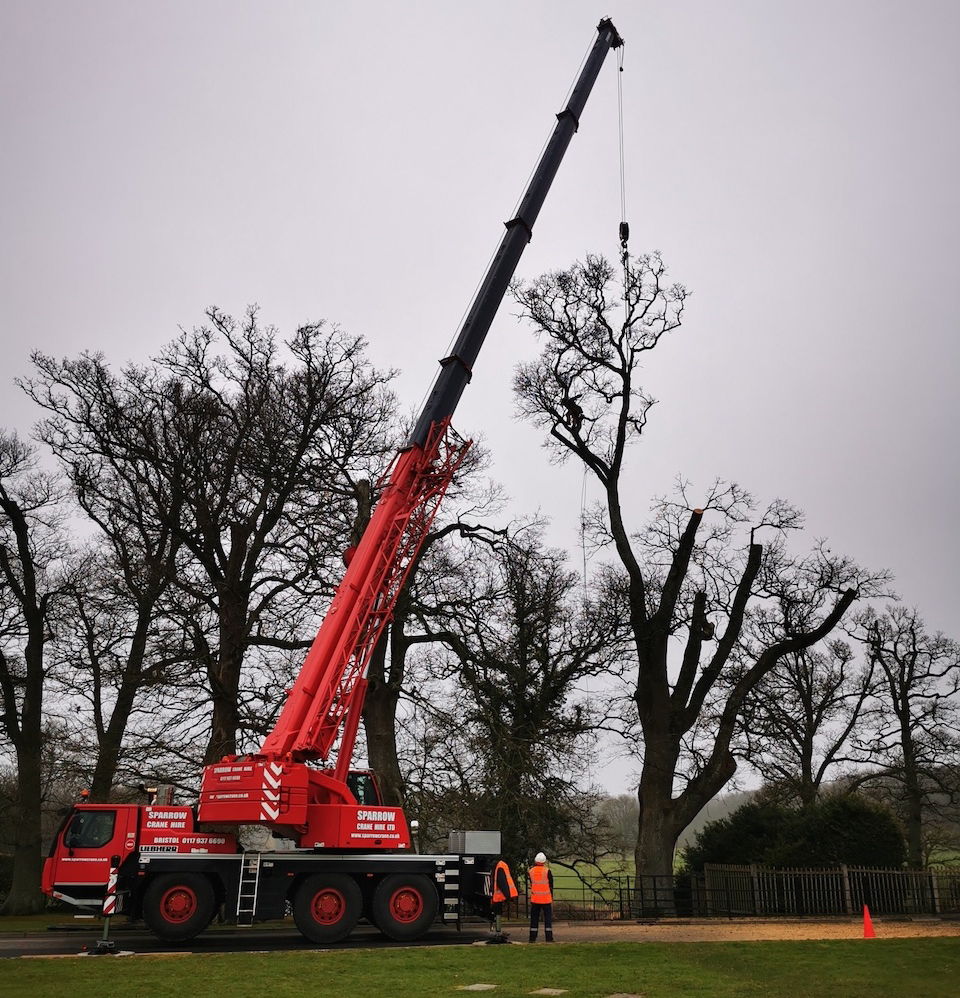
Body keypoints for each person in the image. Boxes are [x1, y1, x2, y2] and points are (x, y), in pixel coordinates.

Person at [528, 851, 554, 942]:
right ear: (544, 861)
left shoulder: (531, 871)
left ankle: (532, 938)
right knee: (548, 919)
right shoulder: (547, 871)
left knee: (534, 919)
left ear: (535, 861)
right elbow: (551, 885)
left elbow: (531, 883)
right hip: (546, 899)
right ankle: (549, 938)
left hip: (535, 899)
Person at [490, 857, 518, 939]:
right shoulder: (502, 867)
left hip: (498, 896)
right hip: (500, 896)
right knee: (498, 913)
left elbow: (499, 882)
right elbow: (502, 882)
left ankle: (498, 933)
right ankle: (498, 933)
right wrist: (508, 896)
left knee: (497, 913)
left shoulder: (498, 867)